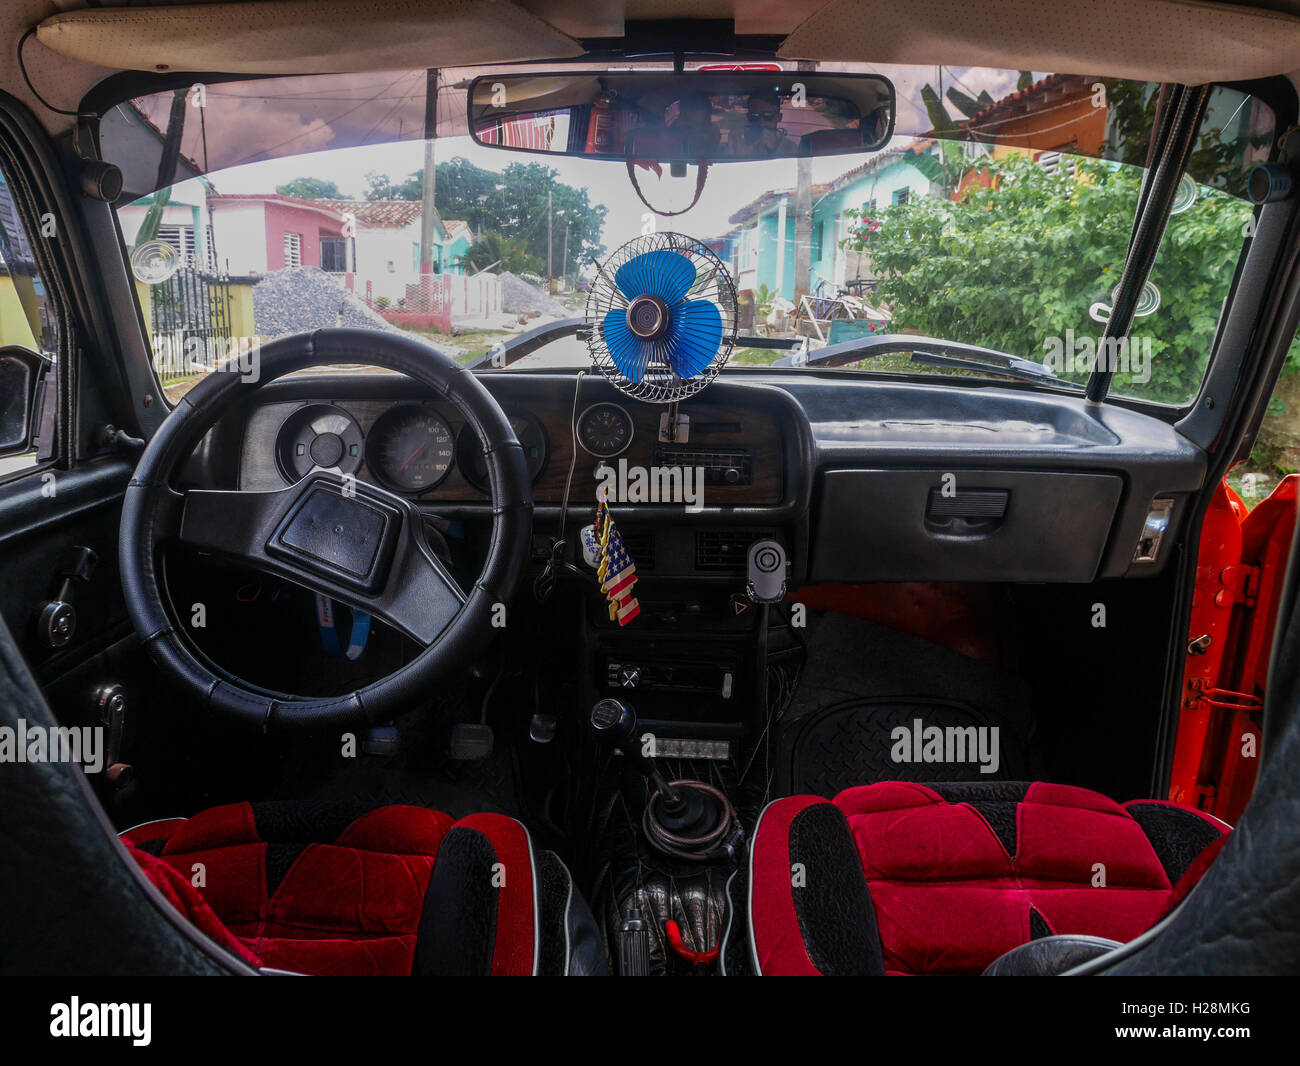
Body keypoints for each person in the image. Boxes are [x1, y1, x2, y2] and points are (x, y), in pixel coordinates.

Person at [730, 88, 797, 157]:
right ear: (748, 117)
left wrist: (774, 150)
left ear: (779, 117)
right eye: (754, 116)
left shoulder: (791, 148)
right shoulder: (738, 142)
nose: (761, 122)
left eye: (767, 116)